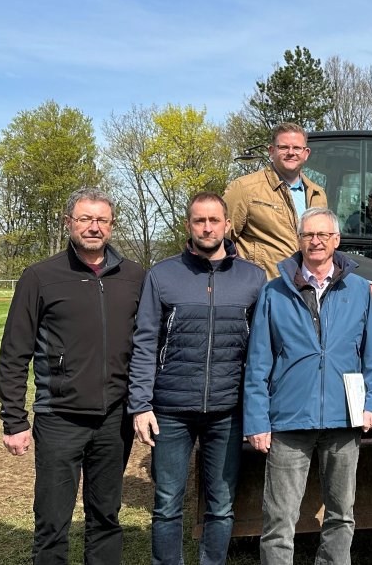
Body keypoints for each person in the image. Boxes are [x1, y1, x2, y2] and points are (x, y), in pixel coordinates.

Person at [0, 187, 146, 565]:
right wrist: (14, 419)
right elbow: (14, 352)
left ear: (111, 226)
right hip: (59, 417)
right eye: (85, 219)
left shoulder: (134, 277)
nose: (93, 227)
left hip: (114, 419)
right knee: (52, 521)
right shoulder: (41, 277)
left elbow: (148, 347)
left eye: (101, 220)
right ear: (69, 223)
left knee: (106, 517)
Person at [243, 207, 372, 564]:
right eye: (309, 234)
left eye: (324, 234)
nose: (317, 241)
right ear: (299, 240)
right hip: (289, 420)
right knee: (280, 519)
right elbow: (258, 362)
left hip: (343, 420)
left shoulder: (357, 291)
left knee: (342, 515)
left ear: (336, 240)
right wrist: (257, 421)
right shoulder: (275, 292)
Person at [127, 192, 267, 565]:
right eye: (199, 221)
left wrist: (258, 408)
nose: (207, 227)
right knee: (168, 503)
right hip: (170, 410)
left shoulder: (253, 279)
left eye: (214, 220)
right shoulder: (162, 275)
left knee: (221, 505)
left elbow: (260, 351)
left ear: (227, 224)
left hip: (227, 410)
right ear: (188, 225)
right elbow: (144, 341)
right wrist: (140, 404)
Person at [224, 122, 328, 279]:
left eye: (297, 148)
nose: (291, 153)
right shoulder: (244, 188)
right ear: (271, 151)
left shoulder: (317, 194)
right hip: (259, 291)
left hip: (305, 289)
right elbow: (220, 238)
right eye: (284, 147)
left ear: (306, 153)